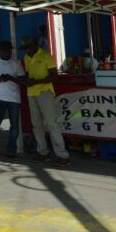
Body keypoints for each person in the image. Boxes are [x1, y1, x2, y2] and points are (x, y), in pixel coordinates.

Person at [20, 36, 70, 166]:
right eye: (25, 49)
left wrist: (37, 82)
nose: (26, 51)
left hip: (45, 92)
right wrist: (25, 80)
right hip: (31, 93)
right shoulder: (26, 57)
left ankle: (62, 155)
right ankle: (43, 152)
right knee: (36, 125)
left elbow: (54, 76)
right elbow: (28, 73)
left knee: (51, 123)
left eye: (28, 48)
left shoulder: (46, 56)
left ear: (35, 46)